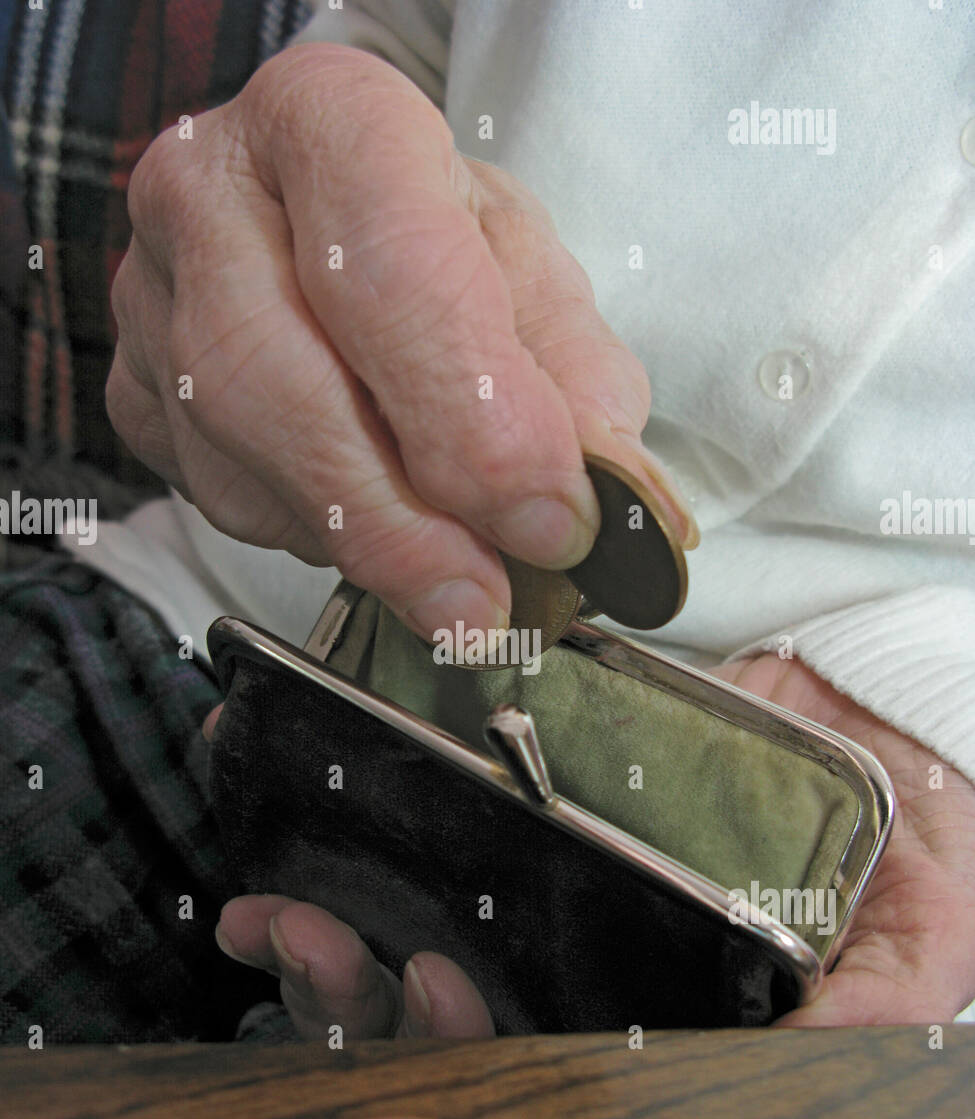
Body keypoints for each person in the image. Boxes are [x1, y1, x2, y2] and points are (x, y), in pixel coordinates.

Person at [3, 1, 974, 1042]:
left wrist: (940, 702)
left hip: (885, 895)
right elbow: (397, 54)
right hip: (206, 639)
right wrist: (279, 201)